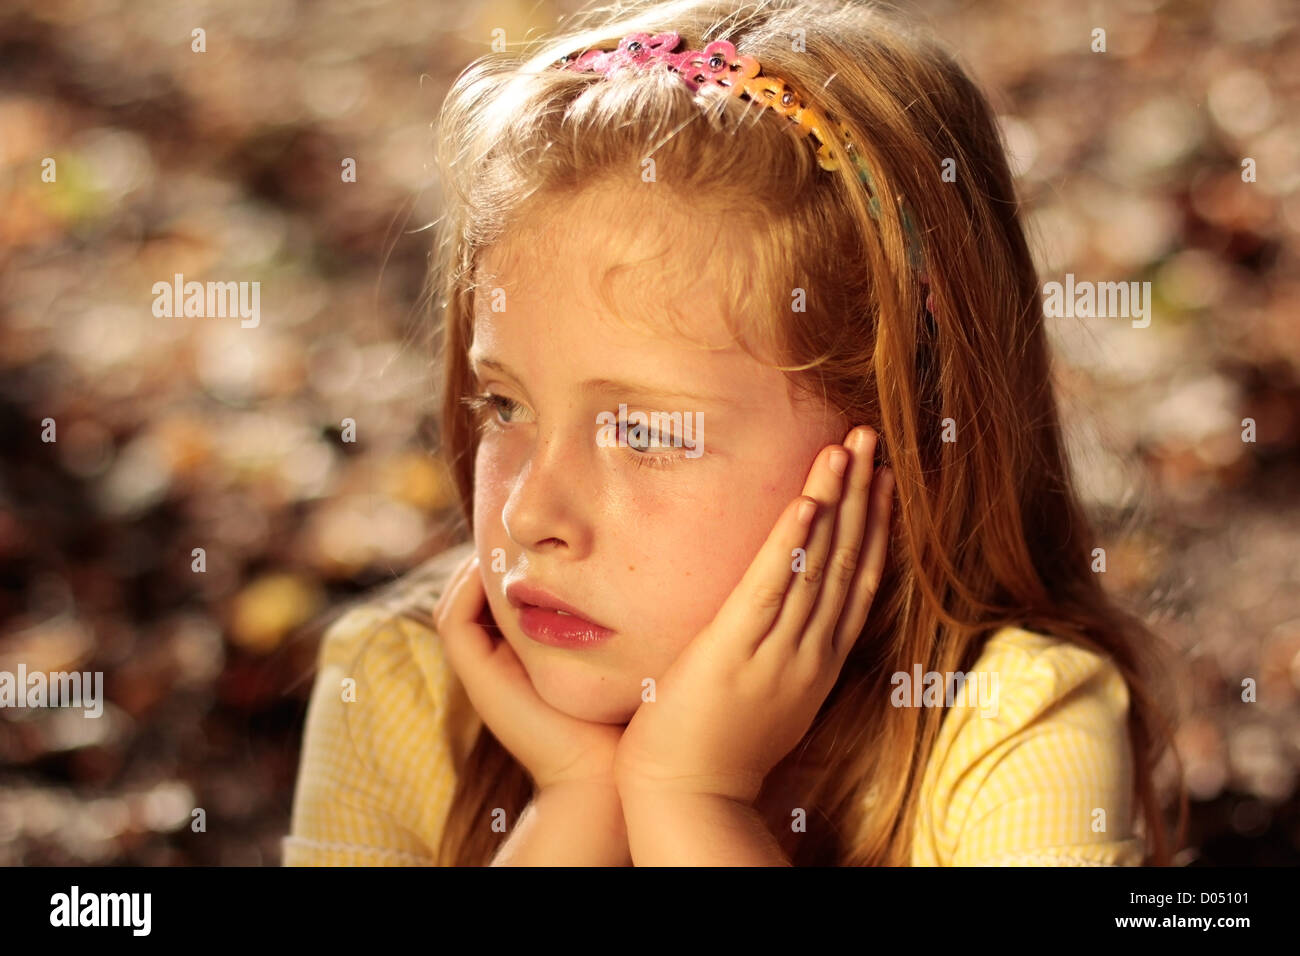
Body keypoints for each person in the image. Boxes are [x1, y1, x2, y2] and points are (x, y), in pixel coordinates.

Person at [284, 0, 1186, 866]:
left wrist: (691, 800)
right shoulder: (399, 687)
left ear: (900, 443)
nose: (529, 514)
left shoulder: (1010, 723)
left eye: (644, 431)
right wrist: (576, 808)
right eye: (506, 405)